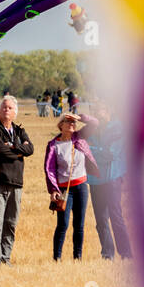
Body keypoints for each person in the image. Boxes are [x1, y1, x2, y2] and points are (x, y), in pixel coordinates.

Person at [0, 94, 33, 265]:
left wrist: (11, 146)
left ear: (15, 112)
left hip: (16, 183)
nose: (6, 110)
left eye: (10, 108)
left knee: (10, 223)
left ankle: (6, 257)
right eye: (4, 107)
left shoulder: (19, 131)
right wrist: (19, 150)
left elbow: (30, 149)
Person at [45, 112, 100, 261]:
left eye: (73, 122)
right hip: (64, 189)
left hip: (81, 186)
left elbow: (95, 122)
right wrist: (54, 190)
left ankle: (78, 257)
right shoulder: (53, 145)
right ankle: (57, 258)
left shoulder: (79, 137)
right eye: (68, 122)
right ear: (60, 125)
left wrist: (81, 117)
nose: (72, 124)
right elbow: (49, 169)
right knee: (62, 224)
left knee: (79, 225)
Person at [84, 104, 133, 260]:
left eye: (101, 110)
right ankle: (107, 254)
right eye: (95, 112)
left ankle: (126, 253)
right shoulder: (89, 129)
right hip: (95, 179)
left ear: (108, 111)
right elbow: (82, 150)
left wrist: (93, 149)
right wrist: (95, 150)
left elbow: (111, 154)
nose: (99, 114)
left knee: (116, 216)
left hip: (112, 177)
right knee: (100, 219)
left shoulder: (118, 129)